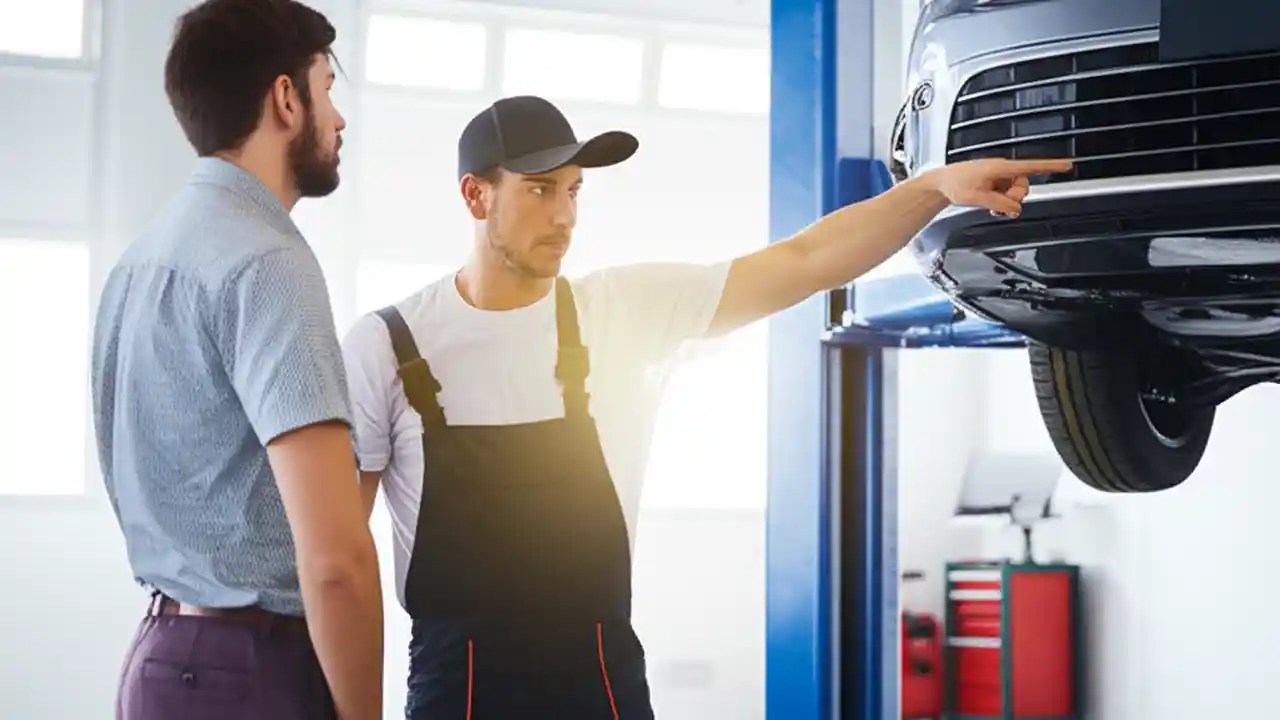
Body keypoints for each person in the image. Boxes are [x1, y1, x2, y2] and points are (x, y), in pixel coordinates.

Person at [339, 94, 1071, 718]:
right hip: (457, 688)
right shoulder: (389, 345)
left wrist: (934, 188)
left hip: (598, 675)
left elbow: (804, 261)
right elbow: (342, 557)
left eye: (573, 190)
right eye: (539, 190)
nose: (564, 214)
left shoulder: (613, 310)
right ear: (476, 196)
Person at [90, 2, 382, 718]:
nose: (339, 118)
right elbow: (336, 562)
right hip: (252, 672)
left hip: (158, 659)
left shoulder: (141, 259)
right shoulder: (268, 262)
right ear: (287, 98)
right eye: (327, 86)